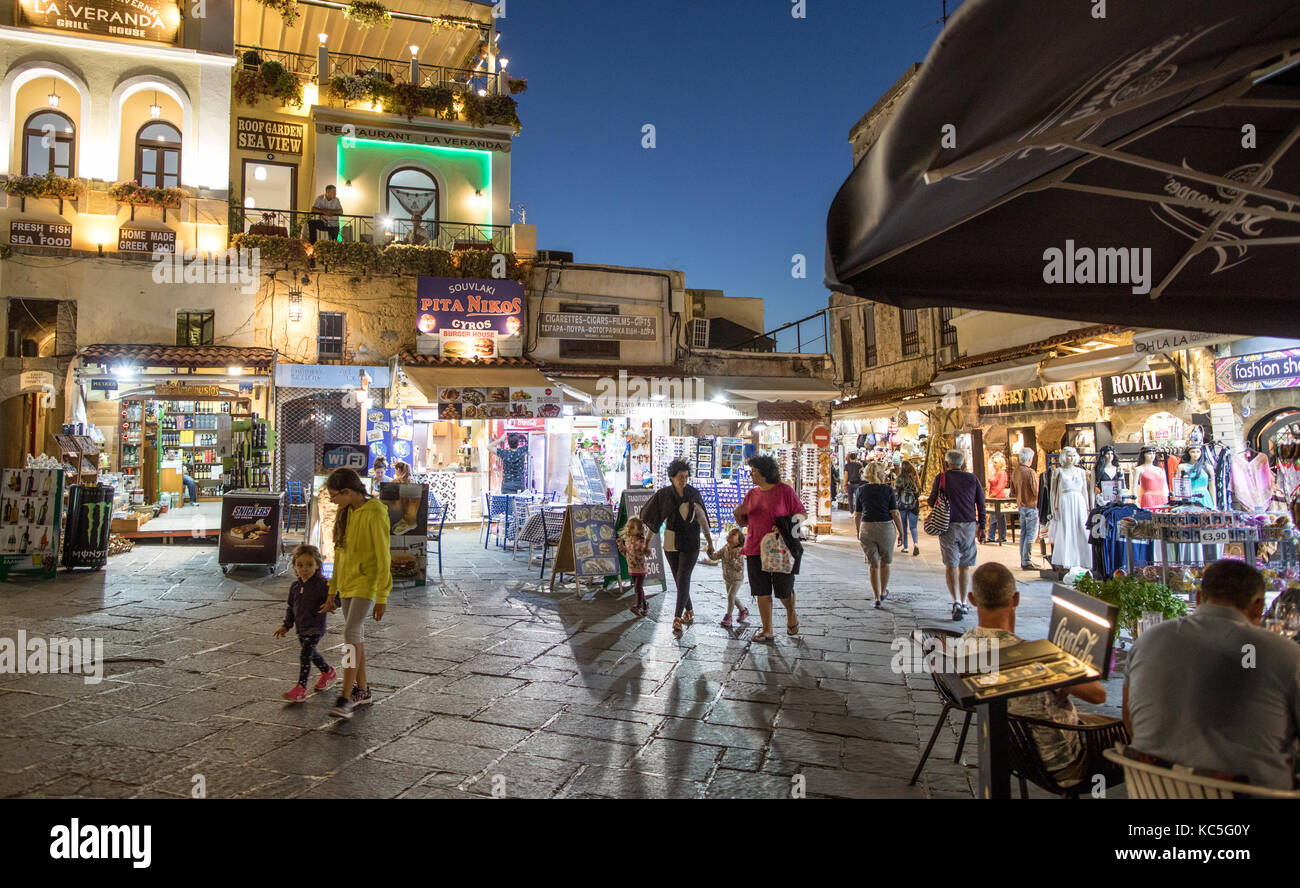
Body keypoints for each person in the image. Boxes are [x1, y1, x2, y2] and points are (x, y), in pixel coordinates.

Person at [1123, 560, 1300, 789]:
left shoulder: (1148, 639)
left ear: (1198, 598)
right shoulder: (1284, 652)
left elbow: (1129, 720)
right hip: (1245, 794)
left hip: (1154, 788)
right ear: (1258, 606)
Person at [961, 563, 1109, 784]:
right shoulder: (1035, 659)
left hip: (1014, 749)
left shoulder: (966, 643)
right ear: (1016, 599)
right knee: (1136, 730)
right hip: (1061, 759)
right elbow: (1098, 695)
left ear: (972, 599)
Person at [323, 467, 391, 719]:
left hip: (366, 583)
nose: (332, 501)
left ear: (348, 492)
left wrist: (382, 595)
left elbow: (384, 555)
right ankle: (362, 690)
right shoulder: (347, 512)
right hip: (348, 583)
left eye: (334, 496)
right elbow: (339, 555)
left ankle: (345, 696)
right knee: (356, 635)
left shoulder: (375, 512)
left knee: (350, 633)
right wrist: (332, 590)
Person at [734, 455, 805, 643]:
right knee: (761, 591)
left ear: (765, 472)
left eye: (754, 471)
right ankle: (768, 630)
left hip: (780, 548)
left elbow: (801, 514)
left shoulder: (785, 491)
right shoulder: (751, 494)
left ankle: (791, 611)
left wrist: (788, 524)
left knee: (783, 591)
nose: (751, 474)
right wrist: (738, 514)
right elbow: (743, 521)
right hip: (755, 547)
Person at [639, 459, 714, 634]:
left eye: (686, 477)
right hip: (671, 542)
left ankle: (677, 617)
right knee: (679, 579)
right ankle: (689, 610)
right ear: (672, 477)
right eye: (680, 477)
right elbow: (655, 520)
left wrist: (709, 542)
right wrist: (647, 542)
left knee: (683, 576)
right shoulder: (664, 495)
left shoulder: (693, 494)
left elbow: (702, 518)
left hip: (691, 541)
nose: (683, 480)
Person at [273, 544, 337, 702]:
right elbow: (291, 607)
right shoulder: (295, 586)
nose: (304, 569)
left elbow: (336, 597)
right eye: (300, 565)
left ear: (317, 565)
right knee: (311, 654)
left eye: (309, 564)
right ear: (294, 566)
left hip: (315, 626)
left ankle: (301, 688)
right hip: (301, 628)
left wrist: (332, 604)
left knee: (305, 656)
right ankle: (328, 671)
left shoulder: (322, 584)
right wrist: (286, 625)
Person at [928, 449, 986, 621]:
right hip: (968, 524)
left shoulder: (941, 478)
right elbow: (981, 504)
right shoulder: (972, 478)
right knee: (964, 565)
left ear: (947, 463)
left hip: (948, 525)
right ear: (963, 463)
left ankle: (957, 602)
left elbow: (932, 500)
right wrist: (982, 526)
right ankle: (964, 602)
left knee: (951, 564)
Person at [854, 461, 903, 609]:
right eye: (883, 472)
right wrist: (901, 532)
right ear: (878, 474)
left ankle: (876, 598)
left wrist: (858, 531)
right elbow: (895, 513)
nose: (884, 474)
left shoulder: (861, 490)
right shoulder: (887, 490)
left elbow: (857, 514)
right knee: (885, 562)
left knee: (873, 564)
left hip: (867, 527)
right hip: (885, 527)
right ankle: (882, 591)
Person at [710, 527, 750, 628]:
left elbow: (739, 567)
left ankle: (728, 617)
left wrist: (733, 560)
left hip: (737, 579)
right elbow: (715, 557)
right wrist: (709, 553)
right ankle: (743, 610)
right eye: (729, 534)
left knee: (730, 596)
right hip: (727, 578)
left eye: (733, 534)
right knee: (732, 597)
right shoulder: (725, 548)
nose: (729, 535)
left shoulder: (739, 551)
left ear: (739, 541)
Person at [1008, 447, 1040, 571]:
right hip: (1031, 505)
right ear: (1030, 459)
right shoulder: (1030, 472)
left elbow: (1012, 491)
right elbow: (1035, 491)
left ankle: (1024, 559)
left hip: (1021, 506)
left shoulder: (1015, 472)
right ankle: (1027, 561)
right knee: (1031, 535)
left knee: (1024, 533)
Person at [618, 516, 652, 618]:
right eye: (628, 527)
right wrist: (621, 546)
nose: (629, 529)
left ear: (639, 530)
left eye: (632, 527)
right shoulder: (628, 541)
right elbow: (626, 554)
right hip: (632, 569)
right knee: (639, 588)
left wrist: (646, 550)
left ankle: (638, 606)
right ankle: (645, 605)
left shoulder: (641, 541)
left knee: (638, 587)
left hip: (640, 569)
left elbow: (647, 552)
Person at [894, 459, 921, 557]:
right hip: (914, 506)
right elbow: (919, 493)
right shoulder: (915, 478)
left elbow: (897, 492)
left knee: (903, 526)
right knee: (913, 527)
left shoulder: (900, 478)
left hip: (902, 506)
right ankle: (916, 544)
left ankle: (905, 547)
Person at [986, 454, 1009, 544]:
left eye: (995, 463)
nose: (994, 464)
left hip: (998, 497)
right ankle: (994, 535)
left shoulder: (1002, 474)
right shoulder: (995, 473)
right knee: (994, 516)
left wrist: (993, 494)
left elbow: (1000, 486)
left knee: (998, 517)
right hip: (993, 497)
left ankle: (999, 536)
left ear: (1000, 464)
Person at [844, 452, 864, 535]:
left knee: (850, 498)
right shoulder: (859, 464)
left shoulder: (847, 465)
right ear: (855, 458)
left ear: (849, 458)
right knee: (858, 498)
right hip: (857, 484)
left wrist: (844, 484)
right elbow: (863, 471)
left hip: (849, 484)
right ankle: (857, 511)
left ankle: (851, 513)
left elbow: (846, 475)